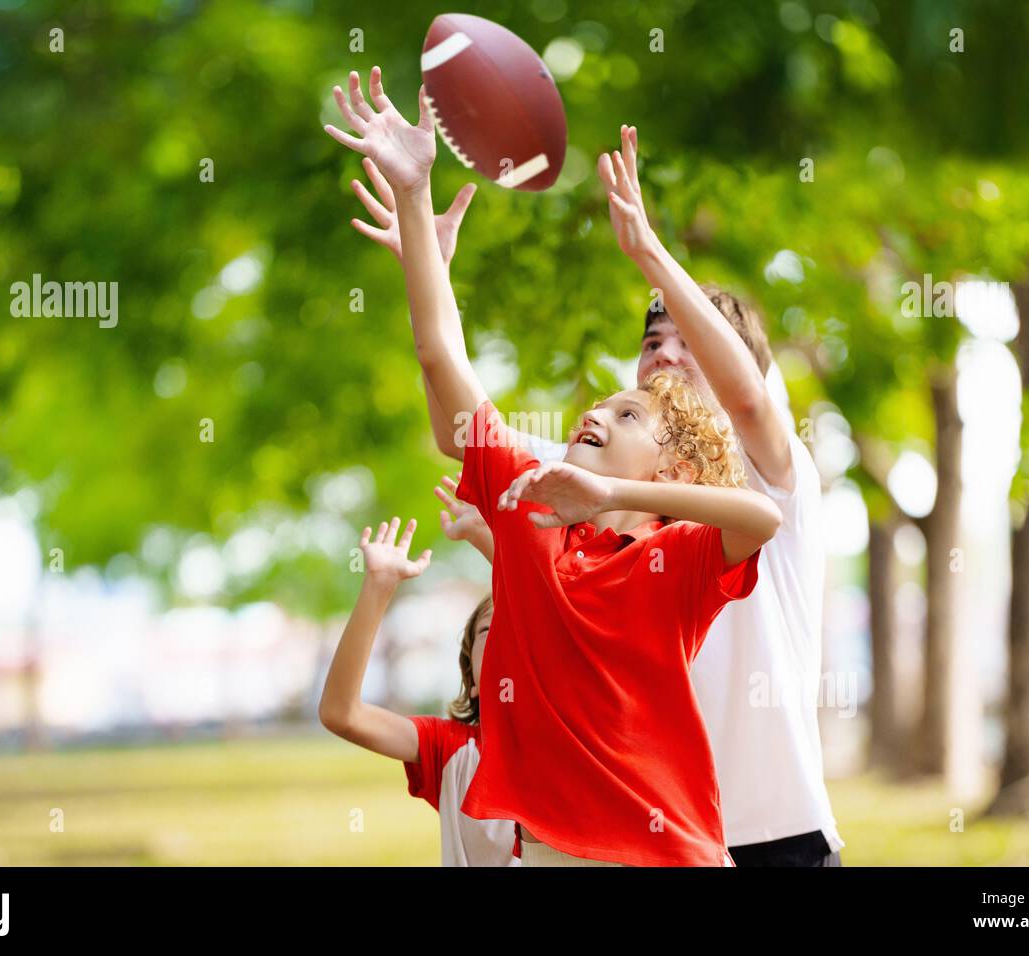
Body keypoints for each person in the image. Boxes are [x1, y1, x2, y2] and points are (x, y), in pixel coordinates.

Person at [341, 79, 843, 866]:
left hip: (771, 835)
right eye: (651, 344)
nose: (665, 356)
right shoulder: (589, 471)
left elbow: (744, 416)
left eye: (692, 342)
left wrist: (647, 251)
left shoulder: (767, 473)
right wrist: (423, 248)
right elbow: (455, 412)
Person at [318, 516, 517, 867]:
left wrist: (488, 538)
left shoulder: (577, 739)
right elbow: (341, 713)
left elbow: (548, 607)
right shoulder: (452, 751)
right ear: (472, 683)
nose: (504, 635)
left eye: (517, 626)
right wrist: (378, 587)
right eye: (488, 629)